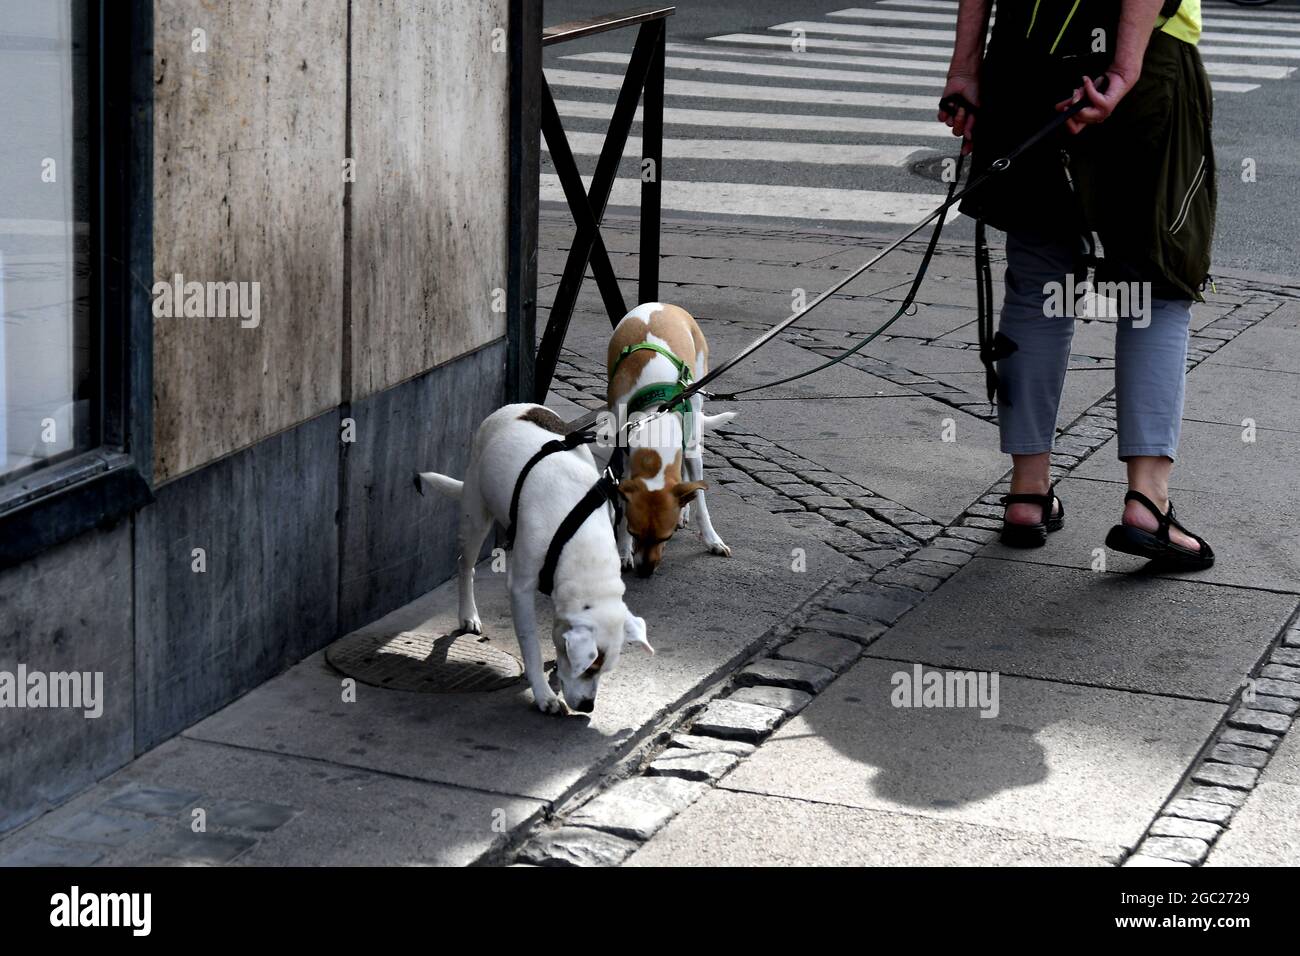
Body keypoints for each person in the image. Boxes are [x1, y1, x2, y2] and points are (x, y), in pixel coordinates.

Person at [939, 0, 1215, 569]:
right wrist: (1125, 66)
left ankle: (1027, 492)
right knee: (1155, 285)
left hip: (1023, 56)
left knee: (1039, 277)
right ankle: (1146, 501)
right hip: (1138, 57)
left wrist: (966, 68)